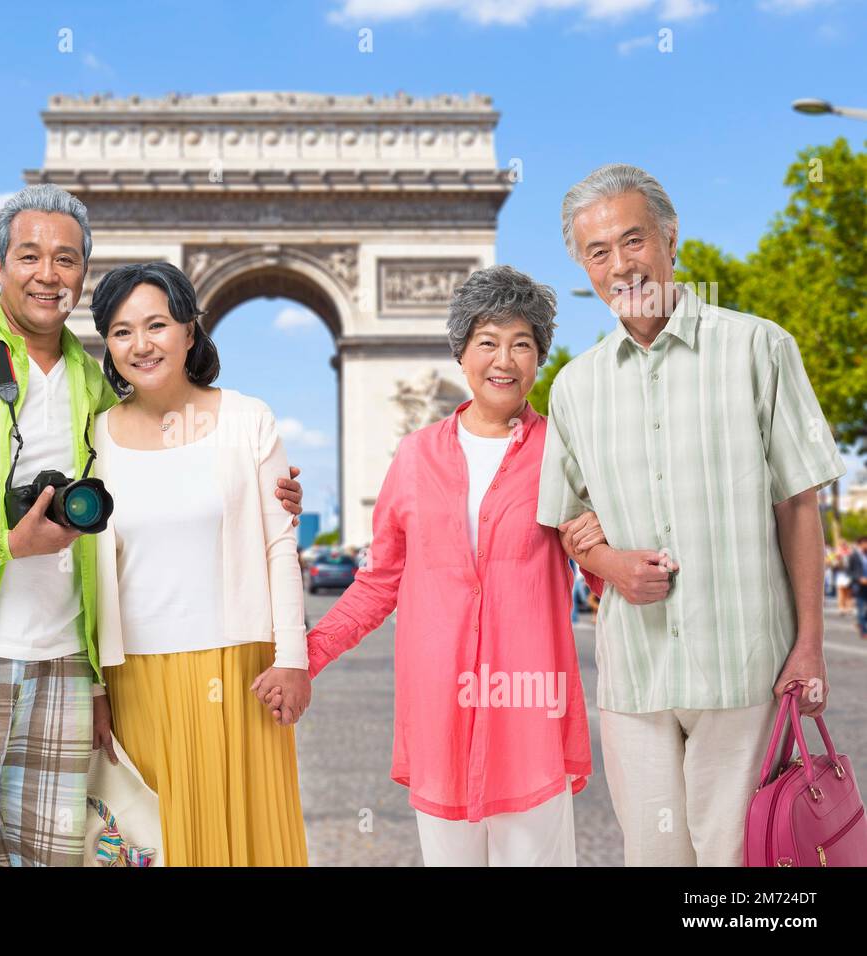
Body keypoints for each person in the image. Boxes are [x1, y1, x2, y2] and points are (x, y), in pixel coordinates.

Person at [0, 185, 303, 867]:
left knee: (58, 858)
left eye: (66, 259)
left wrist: (265, 495)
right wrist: (0, 541)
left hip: (64, 666)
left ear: (83, 273)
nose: (48, 273)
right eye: (29, 255)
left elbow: (158, 483)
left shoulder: (92, 387)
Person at [540, 163, 845, 866]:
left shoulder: (760, 349)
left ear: (671, 239)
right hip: (636, 674)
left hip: (743, 666)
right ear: (583, 266)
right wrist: (606, 561)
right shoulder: (575, 389)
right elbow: (567, 518)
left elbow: (800, 502)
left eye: (633, 240)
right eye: (598, 252)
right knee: (651, 855)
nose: (621, 265)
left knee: (736, 860)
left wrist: (809, 643)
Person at [264, 265, 602, 866]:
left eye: (522, 344)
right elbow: (379, 582)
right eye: (488, 342)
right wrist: (304, 656)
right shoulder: (415, 456)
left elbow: (600, 571)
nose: (505, 360)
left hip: (529, 713)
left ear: (540, 357)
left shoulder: (563, 452)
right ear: (461, 353)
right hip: (440, 715)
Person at [88, 262, 309, 866]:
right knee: (159, 846)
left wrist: (293, 658)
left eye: (157, 324)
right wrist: (94, 684)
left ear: (190, 329)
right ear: (107, 345)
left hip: (240, 670)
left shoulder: (247, 419)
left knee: (241, 845)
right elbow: (79, 573)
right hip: (136, 676)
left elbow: (278, 544)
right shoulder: (94, 437)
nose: (141, 344)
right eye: (121, 330)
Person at [848, 536, 867, 641]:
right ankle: (864, 631)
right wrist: (859, 579)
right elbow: (849, 572)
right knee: (860, 609)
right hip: (859, 586)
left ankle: (861, 623)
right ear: (861, 544)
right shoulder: (854, 556)